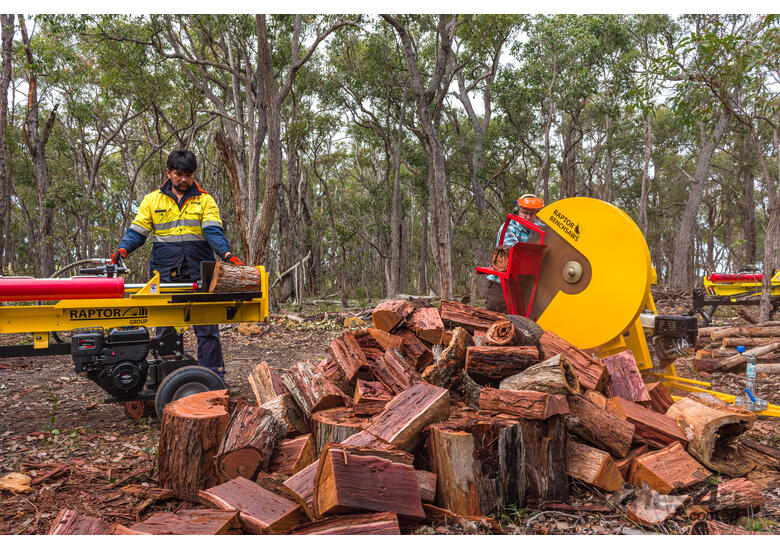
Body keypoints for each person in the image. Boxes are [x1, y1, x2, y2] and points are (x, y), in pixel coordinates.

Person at [111, 150, 243, 382]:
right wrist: (124, 249)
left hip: (199, 271)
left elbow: (213, 230)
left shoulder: (205, 200)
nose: (183, 180)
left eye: (188, 175)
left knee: (206, 329)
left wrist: (227, 253)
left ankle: (214, 379)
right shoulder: (152, 200)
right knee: (165, 329)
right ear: (168, 173)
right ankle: (168, 379)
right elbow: (138, 230)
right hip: (165, 273)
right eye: (178, 174)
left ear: (194, 175)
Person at [485, 193, 544, 313]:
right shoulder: (508, 228)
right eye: (524, 213)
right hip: (501, 286)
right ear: (518, 211)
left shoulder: (539, 229)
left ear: (536, 214)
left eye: (531, 214)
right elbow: (517, 254)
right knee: (497, 322)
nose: (527, 217)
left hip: (522, 287)